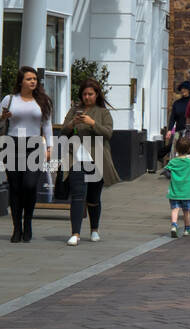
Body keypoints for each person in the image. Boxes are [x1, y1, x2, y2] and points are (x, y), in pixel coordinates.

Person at [58, 78, 120, 245]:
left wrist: (92, 123)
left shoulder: (103, 112)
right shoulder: (74, 110)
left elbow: (108, 133)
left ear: (97, 94)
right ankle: (75, 233)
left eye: (90, 94)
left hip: (97, 159)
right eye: (84, 94)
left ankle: (94, 229)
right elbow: (63, 132)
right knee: (78, 196)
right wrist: (72, 123)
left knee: (93, 197)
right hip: (76, 158)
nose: (87, 97)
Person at [2, 67, 53, 243]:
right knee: (15, 187)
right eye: (29, 79)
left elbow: (47, 124)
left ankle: (28, 223)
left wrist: (49, 148)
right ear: (21, 81)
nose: (33, 81)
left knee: (30, 185)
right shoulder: (9, 99)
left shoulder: (42, 101)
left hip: (34, 145)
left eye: (35, 79)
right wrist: (3, 117)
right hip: (12, 144)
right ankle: (17, 227)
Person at [166, 136, 190, 237]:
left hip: (175, 190)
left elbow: (166, 171)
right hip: (187, 192)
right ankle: (187, 229)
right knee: (186, 211)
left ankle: (174, 226)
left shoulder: (173, 161)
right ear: (189, 149)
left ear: (176, 149)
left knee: (175, 209)